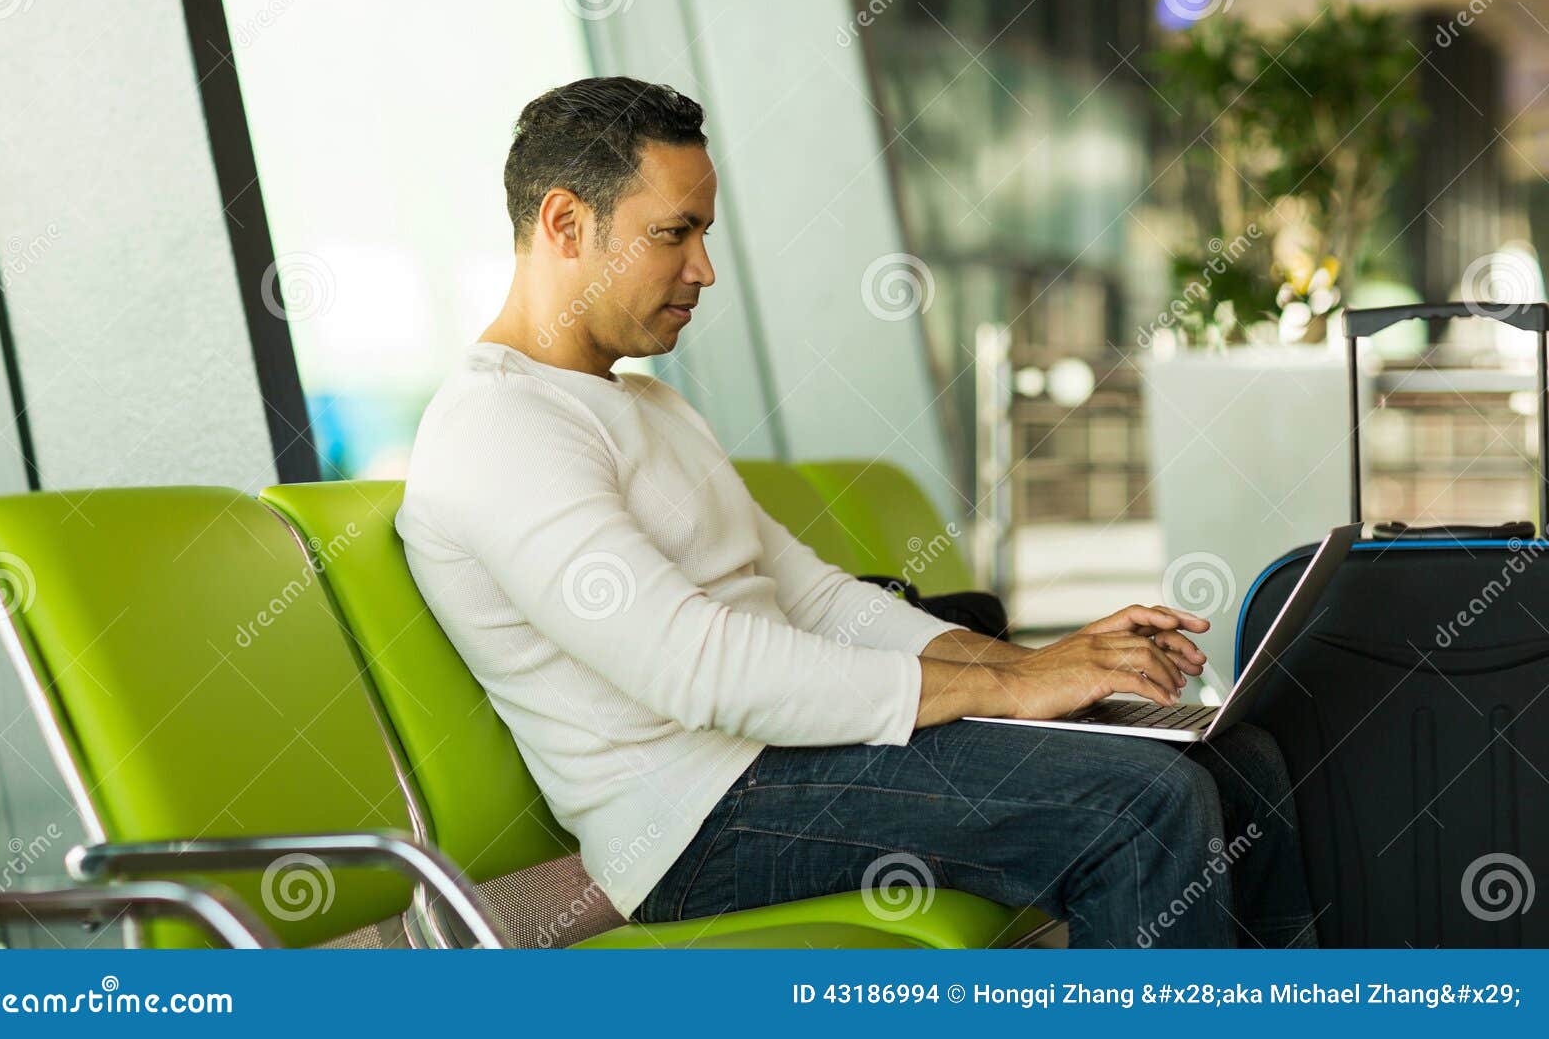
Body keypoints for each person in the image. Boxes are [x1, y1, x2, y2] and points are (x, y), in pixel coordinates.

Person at [395, 76, 1317, 948]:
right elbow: (696, 670)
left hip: (792, 758)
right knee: (1143, 806)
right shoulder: (498, 428)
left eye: (704, 233)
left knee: (1240, 762)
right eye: (674, 233)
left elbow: (825, 602)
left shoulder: (650, 407)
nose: (704, 270)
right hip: (694, 818)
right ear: (565, 222)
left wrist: (1039, 667)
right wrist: (1008, 690)